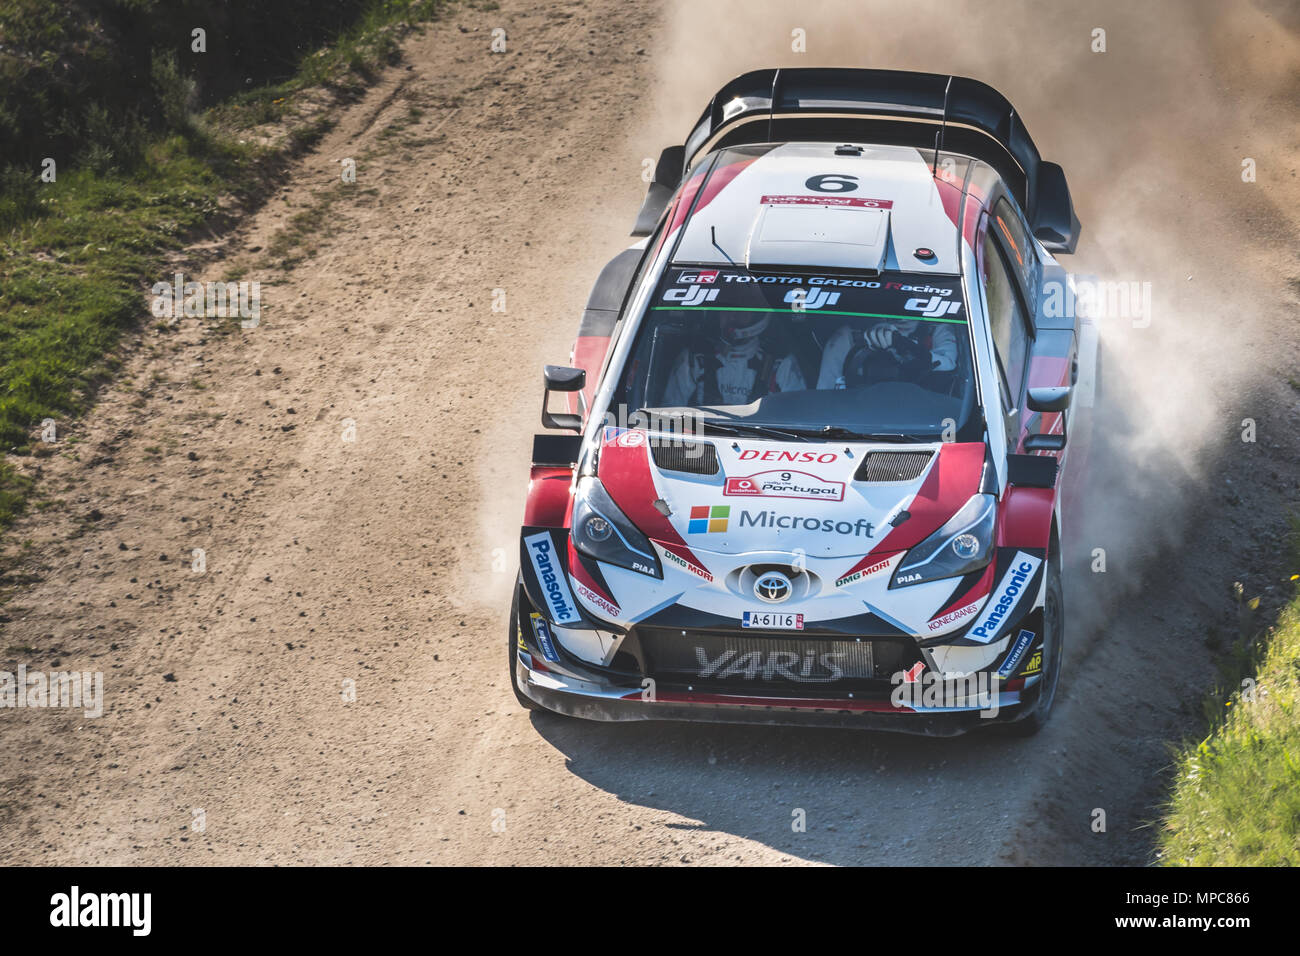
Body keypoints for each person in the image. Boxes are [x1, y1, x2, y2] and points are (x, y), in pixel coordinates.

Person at [662, 313, 807, 407]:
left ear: (758, 316)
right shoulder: (695, 357)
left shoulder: (780, 362)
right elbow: (670, 411)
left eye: (742, 312)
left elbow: (798, 414)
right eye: (726, 310)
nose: (731, 317)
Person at [816, 319, 958, 390]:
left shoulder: (937, 328)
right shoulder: (850, 335)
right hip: (858, 421)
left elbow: (949, 363)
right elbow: (825, 394)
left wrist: (905, 346)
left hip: (922, 422)